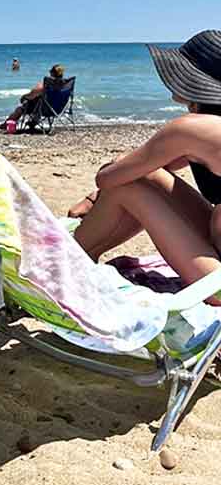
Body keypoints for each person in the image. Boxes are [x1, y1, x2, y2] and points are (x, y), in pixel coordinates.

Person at [68, 30, 221, 301]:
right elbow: (152, 167)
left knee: (125, 189)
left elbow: (108, 179)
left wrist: (98, 190)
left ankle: (67, 264)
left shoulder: (190, 130)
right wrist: (94, 196)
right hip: (215, 251)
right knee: (139, 176)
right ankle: (80, 255)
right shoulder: (209, 128)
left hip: (217, 283)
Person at [0, 63, 65, 130]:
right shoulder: (64, 85)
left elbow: (32, 94)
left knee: (22, 108)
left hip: (44, 109)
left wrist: (24, 97)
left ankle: (7, 124)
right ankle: (33, 122)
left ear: (52, 73)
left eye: (50, 71)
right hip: (58, 109)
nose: (49, 72)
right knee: (40, 100)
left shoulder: (48, 83)